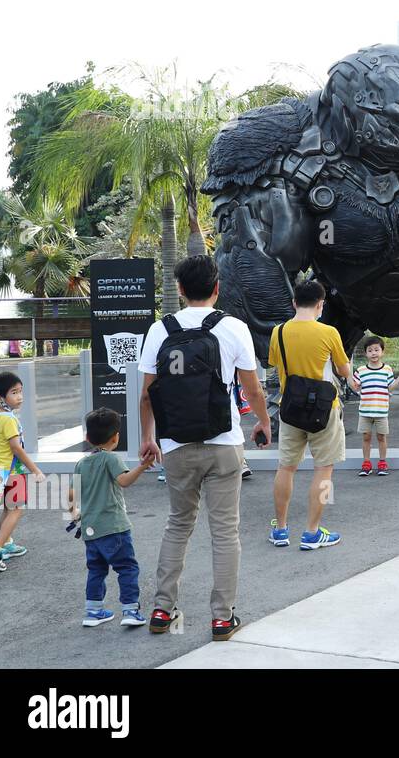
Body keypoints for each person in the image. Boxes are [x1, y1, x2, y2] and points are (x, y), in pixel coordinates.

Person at [139, 254, 271, 641]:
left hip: (176, 444)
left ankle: (162, 610)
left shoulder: (159, 330)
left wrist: (149, 437)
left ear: (180, 290)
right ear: (217, 288)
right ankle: (221, 618)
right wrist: (262, 422)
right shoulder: (233, 327)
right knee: (225, 532)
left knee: (178, 525)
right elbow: (252, 387)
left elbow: (147, 394)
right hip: (224, 443)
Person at [267, 279, 352, 549]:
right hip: (326, 410)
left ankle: (280, 530)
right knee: (324, 471)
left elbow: (276, 364)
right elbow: (343, 371)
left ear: (294, 303)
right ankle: (312, 532)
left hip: (290, 409)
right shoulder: (329, 333)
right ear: (320, 304)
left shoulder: (278, 332)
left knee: (286, 468)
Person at [69, 408, 154, 627]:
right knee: (127, 567)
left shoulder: (81, 464)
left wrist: (75, 513)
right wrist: (143, 466)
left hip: (90, 529)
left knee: (96, 570)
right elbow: (124, 481)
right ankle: (130, 610)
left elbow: (71, 495)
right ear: (116, 437)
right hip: (114, 526)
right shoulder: (110, 459)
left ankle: (93, 611)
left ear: (88, 438)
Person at [0, 371, 45, 572]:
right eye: (14, 392)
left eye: (20, 391)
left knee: (8, 509)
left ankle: (7, 543)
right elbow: (16, 447)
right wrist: (35, 470)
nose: (20, 397)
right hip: (12, 471)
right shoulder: (9, 420)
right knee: (17, 508)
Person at [349, 336, 399, 477]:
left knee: (381, 437)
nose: (374, 353)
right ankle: (366, 463)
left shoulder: (386, 369)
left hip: (381, 412)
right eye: (370, 350)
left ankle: (382, 463)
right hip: (365, 412)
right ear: (366, 353)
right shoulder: (361, 370)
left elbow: (390, 388)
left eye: (376, 349)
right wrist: (347, 374)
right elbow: (355, 387)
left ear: (382, 351)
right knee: (366, 438)